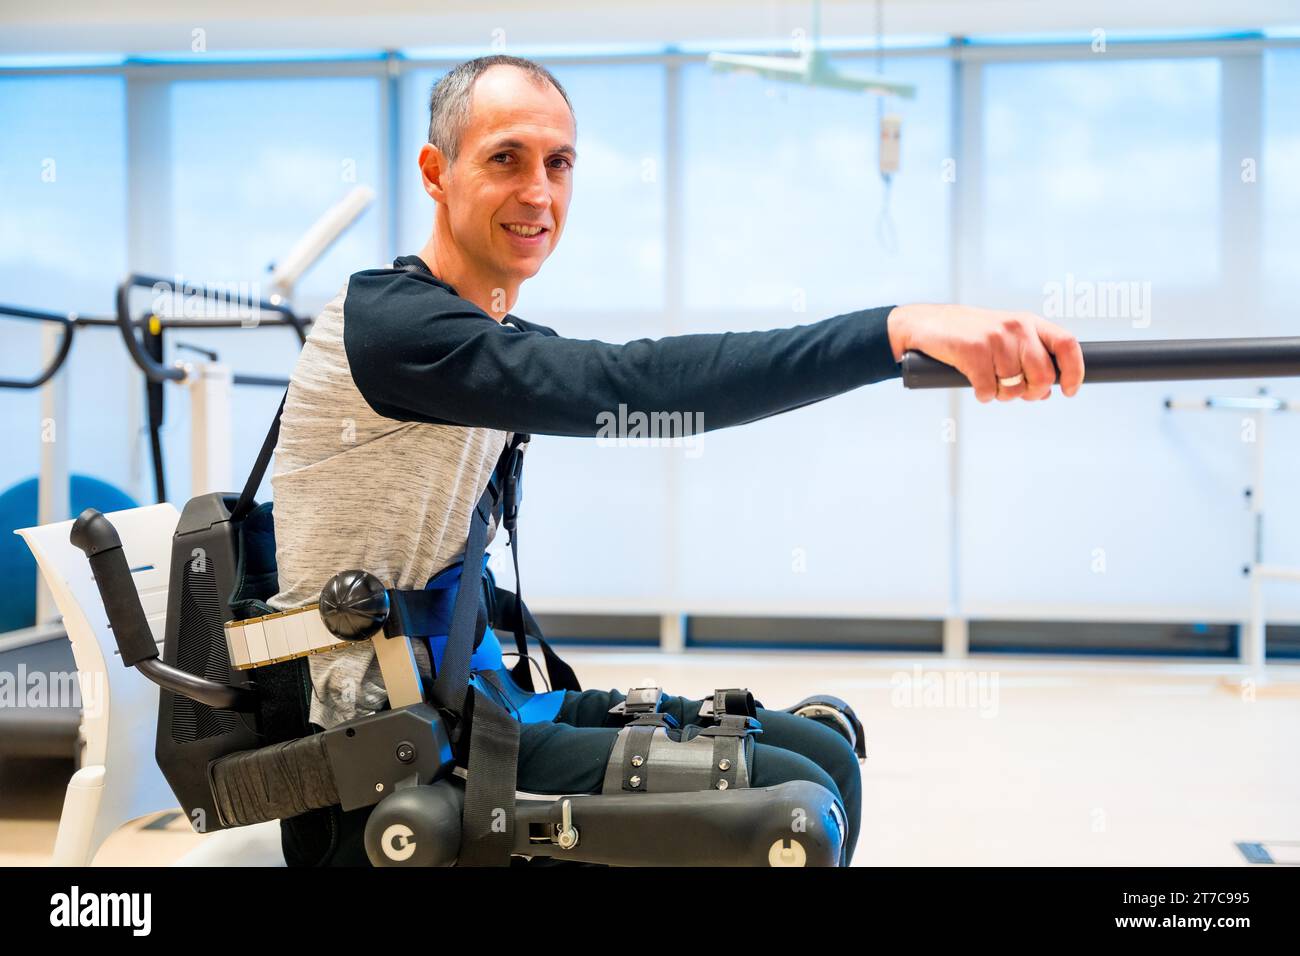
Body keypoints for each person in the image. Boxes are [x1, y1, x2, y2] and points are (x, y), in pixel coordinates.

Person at [267, 54, 1085, 866]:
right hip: (379, 764)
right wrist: (896, 329)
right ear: (437, 173)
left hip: (475, 708)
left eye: (559, 164)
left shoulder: (480, 340)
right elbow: (634, 385)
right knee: (794, 806)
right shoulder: (393, 326)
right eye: (506, 158)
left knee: (826, 757)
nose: (539, 193)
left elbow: (654, 378)